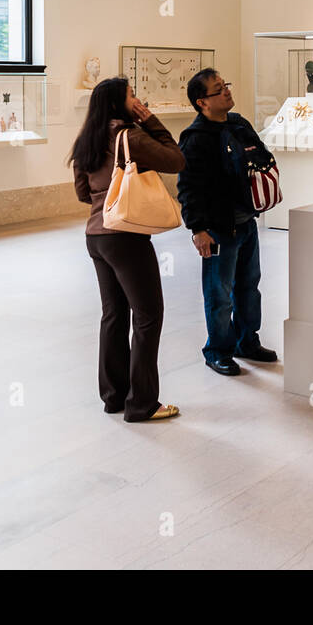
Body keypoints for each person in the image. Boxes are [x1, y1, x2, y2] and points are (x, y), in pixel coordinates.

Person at [71, 76, 185, 421]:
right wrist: (149, 118)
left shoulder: (85, 141)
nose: (137, 100)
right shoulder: (130, 136)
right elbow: (176, 159)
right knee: (148, 316)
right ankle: (142, 404)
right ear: (119, 104)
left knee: (114, 315)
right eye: (132, 96)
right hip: (125, 236)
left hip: (96, 236)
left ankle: (114, 397)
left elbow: (82, 193)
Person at [177, 69, 277, 376]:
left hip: (246, 222)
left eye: (226, 86)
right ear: (202, 102)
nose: (227, 92)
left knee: (249, 286)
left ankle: (247, 341)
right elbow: (187, 188)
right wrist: (198, 229)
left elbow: (262, 156)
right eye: (218, 90)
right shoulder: (195, 139)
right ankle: (217, 349)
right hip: (219, 228)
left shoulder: (238, 124)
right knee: (219, 293)